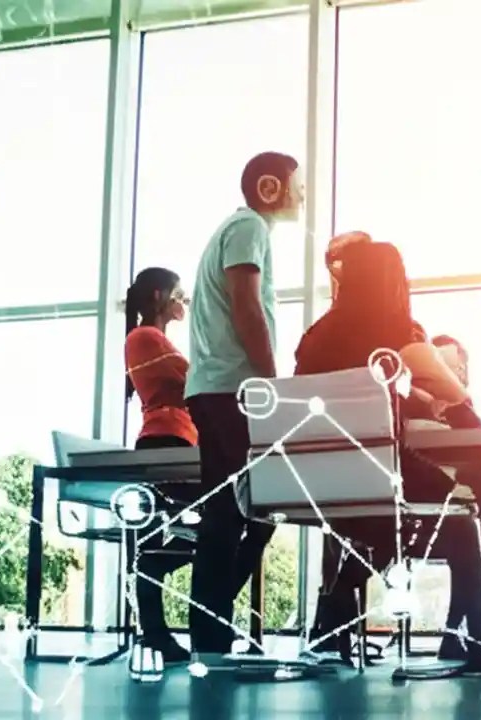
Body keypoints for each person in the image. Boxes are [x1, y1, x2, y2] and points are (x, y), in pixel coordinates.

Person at [295, 241, 481, 674]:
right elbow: (457, 392)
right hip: (377, 466)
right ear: (394, 284)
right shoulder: (393, 329)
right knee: (467, 522)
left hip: (317, 477)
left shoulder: (316, 335)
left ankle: (335, 613)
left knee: (398, 531)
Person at [184, 151, 303, 660]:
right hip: (232, 389)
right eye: (297, 185)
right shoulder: (249, 226)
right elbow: (246, 305)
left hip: (218, 386)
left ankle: (210, 624)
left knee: (237, 510)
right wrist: (269, 380)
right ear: (270, 187)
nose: (302, 195)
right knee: (235, 512)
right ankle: (210, 627)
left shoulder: (240, 228)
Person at [124, 267, 196, 663]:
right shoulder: (145, 338)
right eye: (178, 294)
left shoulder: (157, 339)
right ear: (157, 296)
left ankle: (156, 632)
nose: (182, 301)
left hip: (178, 441)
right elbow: (195, 378)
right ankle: (155, 631)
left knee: (192, 531)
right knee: (209, 527)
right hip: (164, 443)